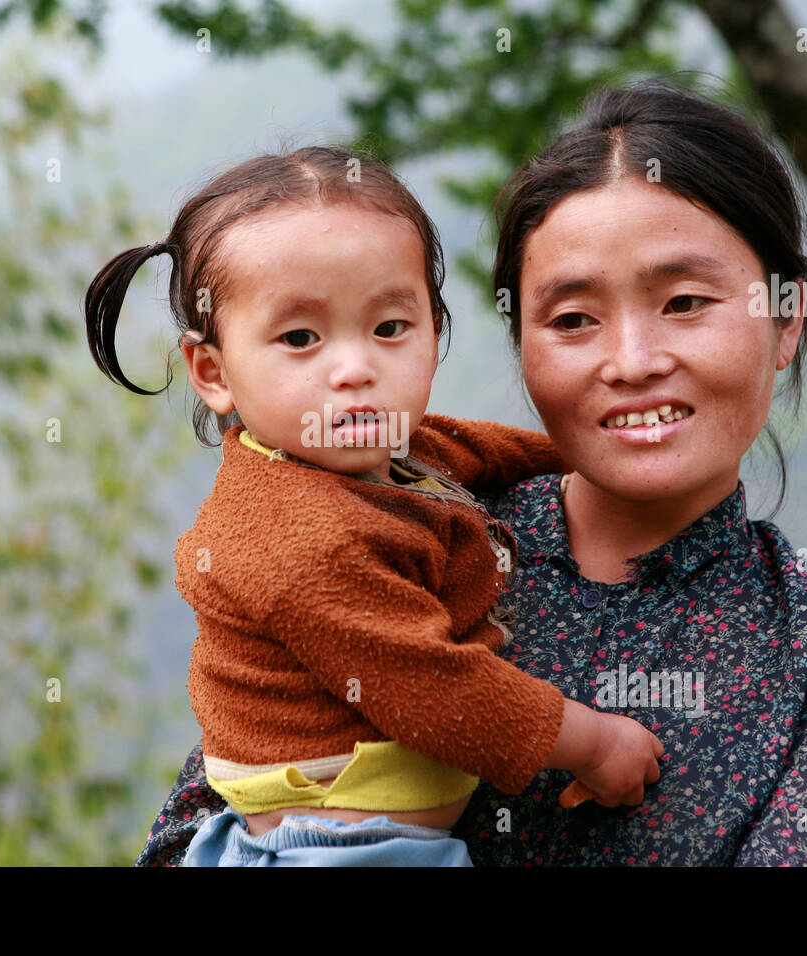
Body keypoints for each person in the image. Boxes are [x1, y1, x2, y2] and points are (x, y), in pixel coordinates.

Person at [135, 81, 807, 867]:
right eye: (573, 319)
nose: (633, 363)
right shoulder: (396, 529)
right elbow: (197, 830)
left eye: (684, 301)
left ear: (788, 318)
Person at [85, 146, 662, 866]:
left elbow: (481, 450)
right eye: (300, 338)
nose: (356, 369)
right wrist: (594, 742)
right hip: (333, 847)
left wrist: (592, 450)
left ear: (433, 330)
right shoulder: (298, 541)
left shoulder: (389, 454)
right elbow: (437, 689)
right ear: (213, 371)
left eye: (391, 328)